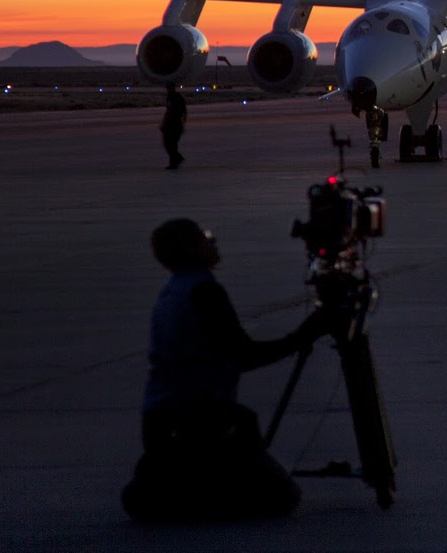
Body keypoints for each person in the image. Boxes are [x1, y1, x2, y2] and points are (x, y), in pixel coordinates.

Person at [122, 218, 327, 522]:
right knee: (281, 498)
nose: (213, 243)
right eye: (206, 238)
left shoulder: (173, 291)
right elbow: (242, 355)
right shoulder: (203, 292)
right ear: (191, 249)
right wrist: (301, 337)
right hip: (197, 417)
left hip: (163, 417)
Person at [160, 83, 187, 169]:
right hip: (170, 123)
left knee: (171, 144)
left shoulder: (176, 98)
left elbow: (183, 111)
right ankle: (176, 159)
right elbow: (168, 111)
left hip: (174, 123)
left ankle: (175, 162)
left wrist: (182, 123)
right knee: (169, 144)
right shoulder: (170, 97)